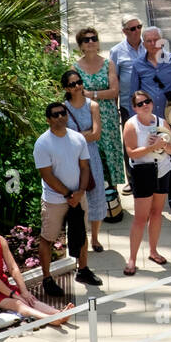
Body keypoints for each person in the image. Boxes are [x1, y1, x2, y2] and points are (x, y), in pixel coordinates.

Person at [33, 102, 103, 294]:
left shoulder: (77, 138)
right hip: (55, 200)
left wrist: (80, 192)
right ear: (48, 120)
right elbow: (47, 175)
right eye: (55, 115)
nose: (60, 117)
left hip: (78, 196)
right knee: (47, 238)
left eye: (63, 113)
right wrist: (67, 194)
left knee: (81, 233)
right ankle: (47, 279)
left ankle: (83, 269)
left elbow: (84, 167)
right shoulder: (42, 143)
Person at [0, 209, 74, 326]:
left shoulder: (0, 240)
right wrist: (13, 294)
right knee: (19, 303)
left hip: (3, 285)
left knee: (29, 299)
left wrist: (24, 291)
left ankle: (58, 313)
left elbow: (13, 267)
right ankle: (50, 319)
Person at [130, 27, 171, 216]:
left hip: (170, 121)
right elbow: (133, 94)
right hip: (147, 121)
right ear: (144, 43)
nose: (154, 44)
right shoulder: (138, 64)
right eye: (149, 41)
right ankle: (148, 201)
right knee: (147, 159)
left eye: (157, 40)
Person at [122, 91, 171, 275]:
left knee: (157, 213)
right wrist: (151, 147)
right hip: (143, 172)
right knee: (140, 218)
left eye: (147, 101)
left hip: (162, 170)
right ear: (134, 108)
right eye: (140, 103)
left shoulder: (161, 122)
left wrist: (163, 145)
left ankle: (153, 251)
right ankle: (132, 259)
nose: (145, 105)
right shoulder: (131, 125)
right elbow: (131, 153)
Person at [61, 67, 108, 254]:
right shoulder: (63, 109)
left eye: (79, 82)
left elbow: (96, 135)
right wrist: (84, 135)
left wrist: (78, 136)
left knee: (96, 194)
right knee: (74, 197)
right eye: (73, 84)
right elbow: (63, 136)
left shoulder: (92, 106)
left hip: (91, 156)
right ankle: (77, 237)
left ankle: (95, 237)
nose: (78, 86)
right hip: (71, 157)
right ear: (66, 88)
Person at [75, 28, 125, 193]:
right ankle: (95, 192)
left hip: (108, 117)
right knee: (92, 154)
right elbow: (75, 93)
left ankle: (113, 196)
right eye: (86, 40)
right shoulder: (75, 67)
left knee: (110, 153)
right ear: (81, 45)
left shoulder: (108, 63)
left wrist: (91, 94)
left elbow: (114, 91)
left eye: (93, 38)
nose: (91, 42)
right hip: (87, 116)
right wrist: (96, 96)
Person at [109, 15, 146, 192]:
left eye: (139, 27)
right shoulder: (116, 51)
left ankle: (151, 175)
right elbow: (114, 80)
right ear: (124, 31)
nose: (137, 31)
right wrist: (115, 106)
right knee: (129, 142)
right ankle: (132, 179)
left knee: (150, 137)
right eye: (132, 28)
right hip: (127, 104)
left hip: (149, 104)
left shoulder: (151, 46)